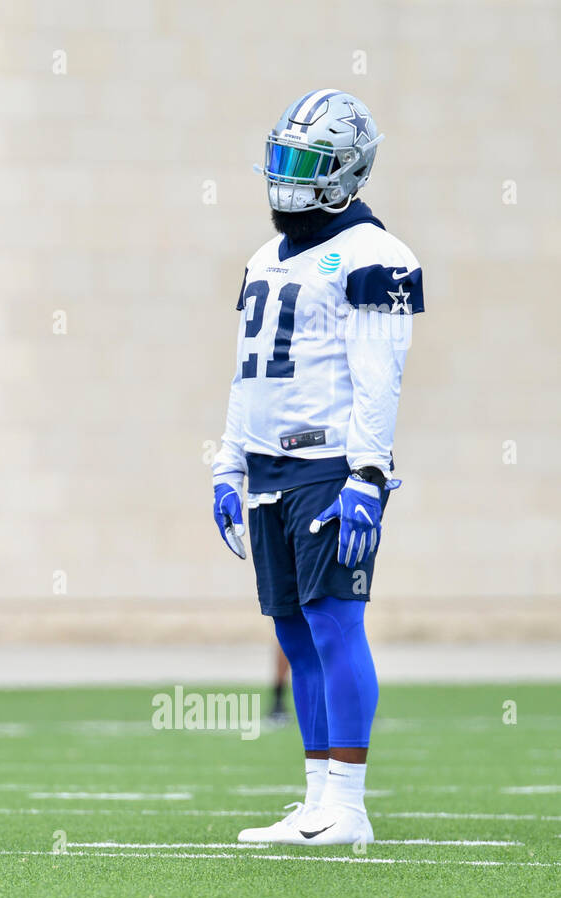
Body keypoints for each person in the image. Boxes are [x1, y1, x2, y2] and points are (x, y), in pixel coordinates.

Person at [211, 90, 422, 846]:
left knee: (335, 625)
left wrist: (367, 476)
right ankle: (315, 799)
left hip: (328, 464)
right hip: (268, 466)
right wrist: (227, 464)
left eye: (305, 162)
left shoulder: (378, 255)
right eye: (284, 158)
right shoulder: (264, 255)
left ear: (346, 171)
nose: (287, 176)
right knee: (294, 632)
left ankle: (351, 803)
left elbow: (379, 373)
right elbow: (248, 374)